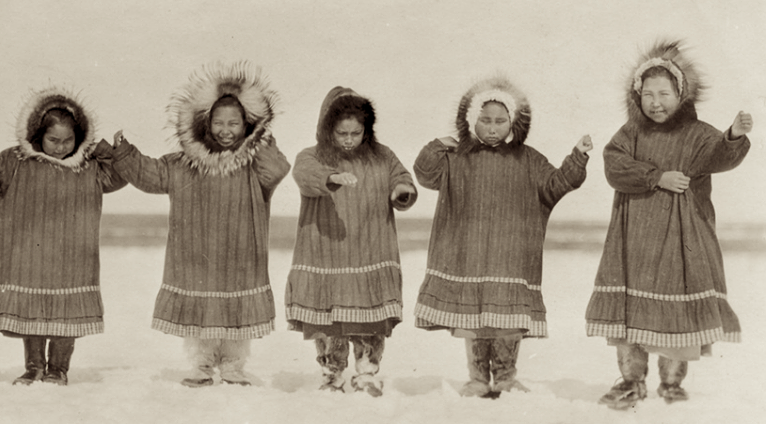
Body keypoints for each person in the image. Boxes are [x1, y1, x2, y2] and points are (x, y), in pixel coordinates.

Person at [585, 40, 753, 410]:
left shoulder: (697, 133)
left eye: (664, 94)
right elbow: (614, 165)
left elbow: (720, 155)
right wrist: (656, 177)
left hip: (682, 238)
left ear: (682, 94)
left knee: (678, 309)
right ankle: (631, 380)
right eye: (647, 94)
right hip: (634, 240)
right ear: (637, 96)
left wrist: (734, 136)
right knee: (630, 312)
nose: (655, 102)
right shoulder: (631, 133)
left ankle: (672, 382)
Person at [0, 87, 129, 387]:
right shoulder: (14, 161)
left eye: (68, 141)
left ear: (79, 136)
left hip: (72, 259)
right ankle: (34, 367)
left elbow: (121, 175)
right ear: (38, 134)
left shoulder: (90, 168)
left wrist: (107, 152)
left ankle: (58, 369)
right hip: (29, 257)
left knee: (65, 315)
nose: (60, 147)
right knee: (31, 312)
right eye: (53, 140)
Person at [111, 62, 290, 387]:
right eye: (218, 122)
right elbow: (150, 175)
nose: (225, 129)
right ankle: (201, 366)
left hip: (240, 254)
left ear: (246, 124)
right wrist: (123, 153)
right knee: (201, 315)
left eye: (234, 123)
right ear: (204, 123)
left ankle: (234, 367)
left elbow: (277, 170)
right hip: (196, 255)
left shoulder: (254, 165)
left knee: (237, 318)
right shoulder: (183, 164)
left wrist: (262, 137)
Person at [413, 76, 592, 398]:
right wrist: (438, 145)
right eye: (485, 120)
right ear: (471, 121)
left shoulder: (528, 158)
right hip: (467, 255)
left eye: (500, 121)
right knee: (474, 320)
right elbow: (425, 175)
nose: (493, 128)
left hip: (511, 258)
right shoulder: (457, 157)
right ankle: (478, 379)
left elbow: (556, 184)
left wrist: (577, 157)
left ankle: (506, 378)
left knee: (508, 322)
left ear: (513, 123)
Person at [285, 86, 416, 397]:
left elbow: (401, 176)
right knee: (330, 322)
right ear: (327, 128)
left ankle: (367, 373)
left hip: (370, 250)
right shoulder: (312, 155)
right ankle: (331, 374)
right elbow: (304, 174)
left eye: (355, 133)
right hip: (327, 251)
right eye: (341, 132)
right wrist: (331, 178)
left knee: (368, 320)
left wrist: (402, 190)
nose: (347, 139)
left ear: (366, 131)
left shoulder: (382, 156)